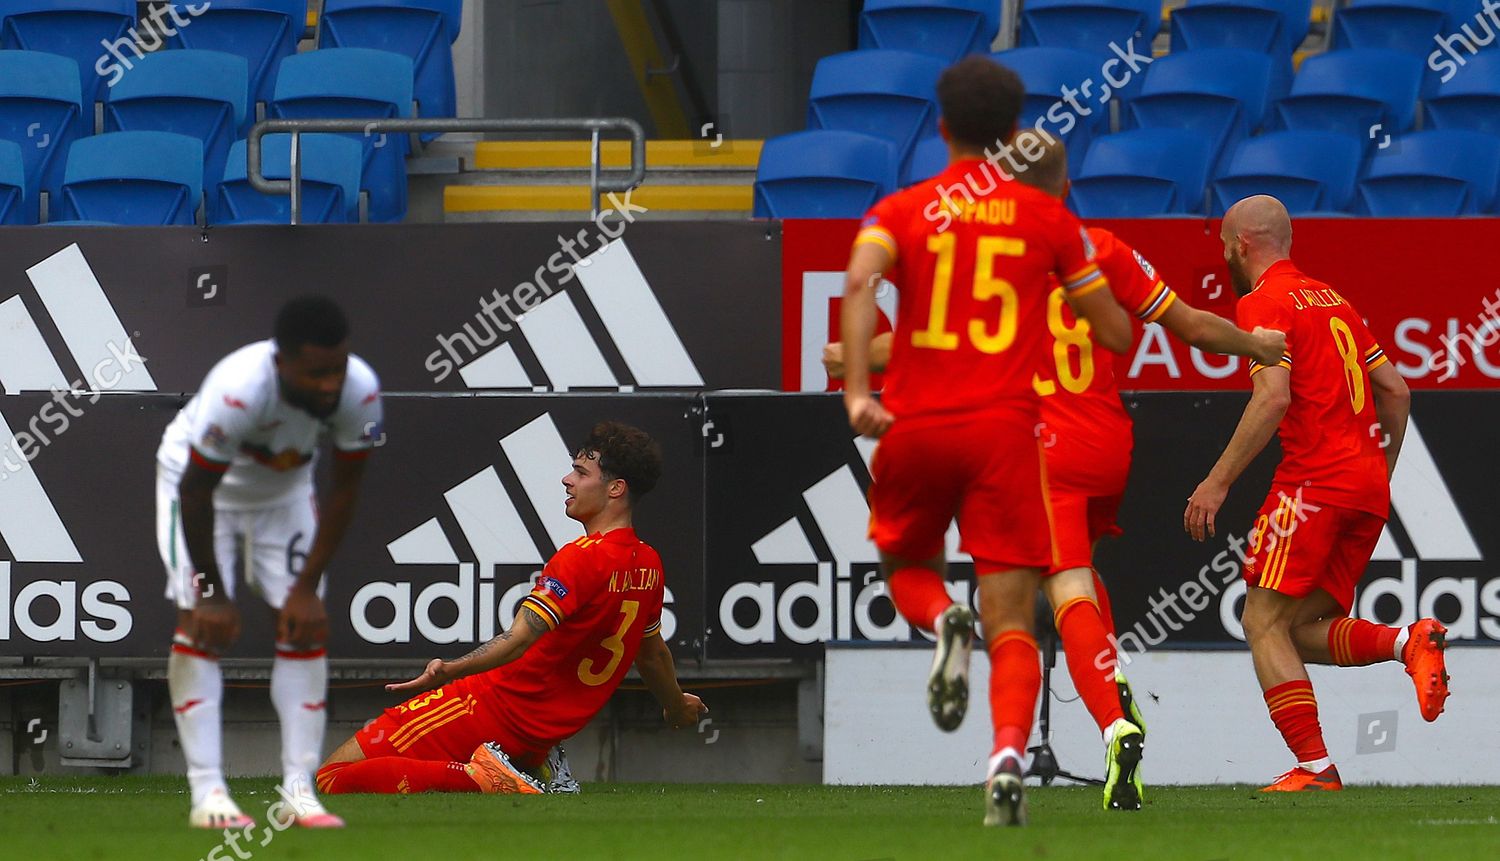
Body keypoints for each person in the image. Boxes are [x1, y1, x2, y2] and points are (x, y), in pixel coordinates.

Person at [827, 137, 1288, 812]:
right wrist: (1254, 343)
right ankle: (1112, 690)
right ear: (1067, 182)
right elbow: (1189, 323)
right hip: (1105, 444)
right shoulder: (1100, 247)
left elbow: (922, 342)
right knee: (1077, 571)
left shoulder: (990, 261)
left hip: (1035, 448)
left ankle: (1111, 718)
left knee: (1051, 586)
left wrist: (852, 358)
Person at [840, 55, 1137, 827]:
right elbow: (1114, 329)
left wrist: (860, 391)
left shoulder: (902, 210)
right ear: (1012, 132)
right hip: (1005, 434)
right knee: (1015, 618)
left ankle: (941, 617)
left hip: (914, 423)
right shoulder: (1051, 221)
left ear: (940, 126)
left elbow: (860, 282)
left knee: (907, 564)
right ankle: (1006, 759)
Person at [1184, 195, 1449, 792]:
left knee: (1260, 620)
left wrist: (1216, 481)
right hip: (1365, 487)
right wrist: (1379, 471)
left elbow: (1273, 397)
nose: (1223, 253)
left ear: (1242, 245)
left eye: (1224, 243)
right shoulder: (1334, 299)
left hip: (1311, 484)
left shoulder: (1263, 302)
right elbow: (1398, 393)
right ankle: (1407, 641)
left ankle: (1315, 767)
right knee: (1301, 625)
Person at [314, 421, 706, 795]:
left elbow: (519, 640)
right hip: (534, 734)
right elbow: (652, 654)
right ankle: (518, 766)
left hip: (488, 707)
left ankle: (485, 777)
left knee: (330, 778)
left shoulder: (580, 558)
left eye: (581, 472)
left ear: (616, 488)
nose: (567, 480)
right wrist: (675, 705)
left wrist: (449, 670)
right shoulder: (648, 563)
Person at [159, 296, 383, 829]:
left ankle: (298, 792)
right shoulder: (238, 390)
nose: (331, 384)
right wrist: (211, 592)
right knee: (200, 628)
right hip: (198, 492)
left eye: (338, 369)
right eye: (316, 374)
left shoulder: (361, 389)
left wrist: (307, 588)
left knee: (305, 630)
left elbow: (346, 488)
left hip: (284, 496)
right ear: (281, 364)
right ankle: (208, 793)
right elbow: (195, 491)